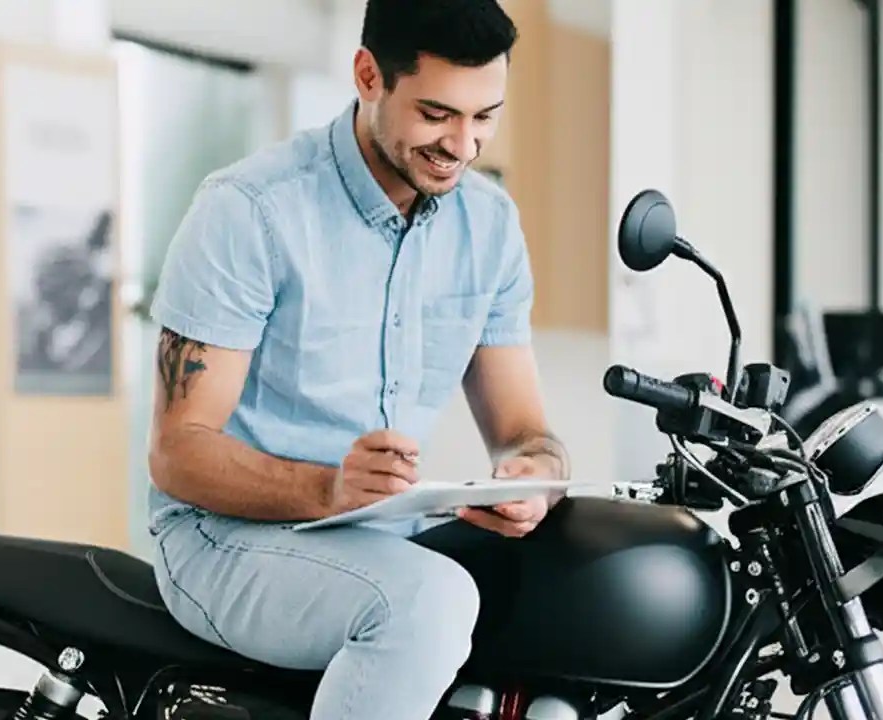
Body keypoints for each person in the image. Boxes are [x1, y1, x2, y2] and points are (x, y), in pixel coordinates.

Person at [145, 1, 569, 718]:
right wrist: (328, 489)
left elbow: (525, 430)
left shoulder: (491, 225)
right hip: (222, 543)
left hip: (382, 540)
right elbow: (176, 455)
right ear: (369, 75)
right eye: (437, 114)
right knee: (428, 602)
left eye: (484, 117)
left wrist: (533, 476)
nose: (462, 145)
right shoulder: (251, 210)